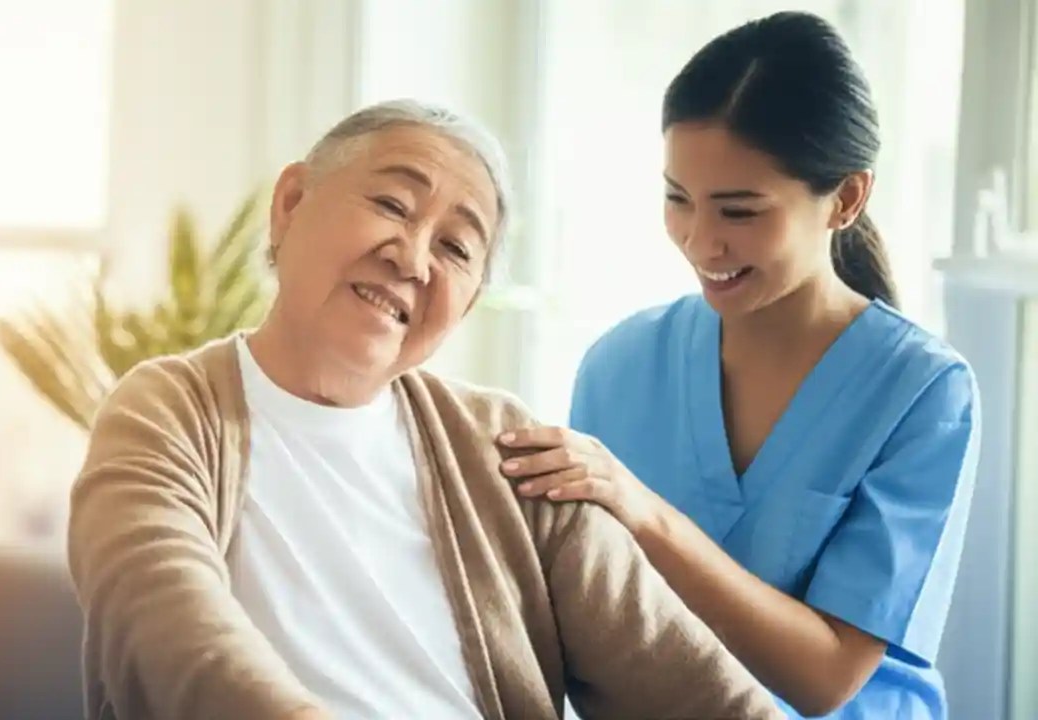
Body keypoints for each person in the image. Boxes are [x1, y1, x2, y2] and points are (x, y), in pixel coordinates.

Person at [67, 99, 781, 720]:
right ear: (291, 203)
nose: (411, 259)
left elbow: (681, 676)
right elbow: (162, 617)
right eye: (391, 206)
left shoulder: (508, 451)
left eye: (455, 247)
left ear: (466, 302)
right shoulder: (167, 411)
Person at [499, 11, 980, 720]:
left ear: (845, 199)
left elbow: (827, 678)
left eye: (740, 212)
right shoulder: (618, 366)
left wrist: (646, 514)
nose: (700, 241)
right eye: (677, 199)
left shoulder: (922, 392)